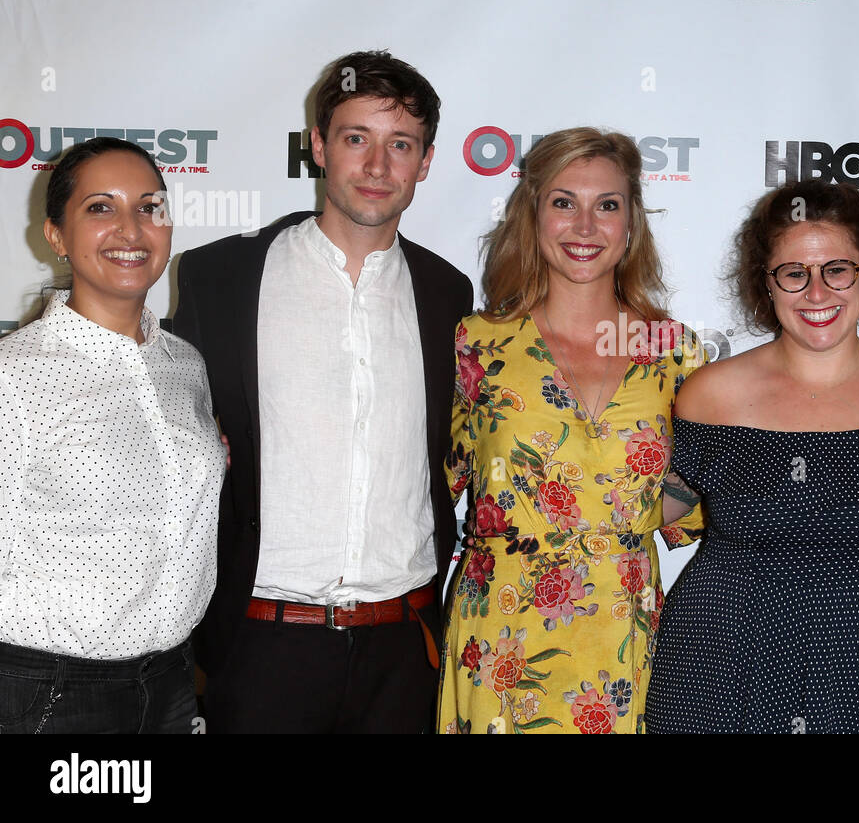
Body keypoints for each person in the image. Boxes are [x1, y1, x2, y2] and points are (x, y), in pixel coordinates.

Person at [173, 51, 472, 733]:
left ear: (426, 162)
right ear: (317, 145)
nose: (377, 166)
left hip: (404, 648)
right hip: (261, 646)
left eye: (401, 144)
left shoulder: (447, 293)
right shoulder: (222, 277)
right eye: (356, 138)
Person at [440, 127, 705, 734]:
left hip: (623, 641)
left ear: (631, 222)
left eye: (606, 205)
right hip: (501, 638)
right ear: (531, 215)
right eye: (564, 202)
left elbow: (704, 490)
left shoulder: (674, 351)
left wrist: (636, 512)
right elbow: (430, 481)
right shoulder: (475, 345)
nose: (585, 226)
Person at [644, 179, 859, 734]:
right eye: (794, 273)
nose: (817, 293)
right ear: (767, 281)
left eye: (837, 270)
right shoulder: (710, 393)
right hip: (720, 669)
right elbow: (660, 503)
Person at [0, 137, 224, 733]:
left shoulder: (185, 365)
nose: (131, 229)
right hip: (49, 691)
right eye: (100, 207)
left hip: (172, 679)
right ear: (56, 235)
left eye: (149, 208)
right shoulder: (13, 375)